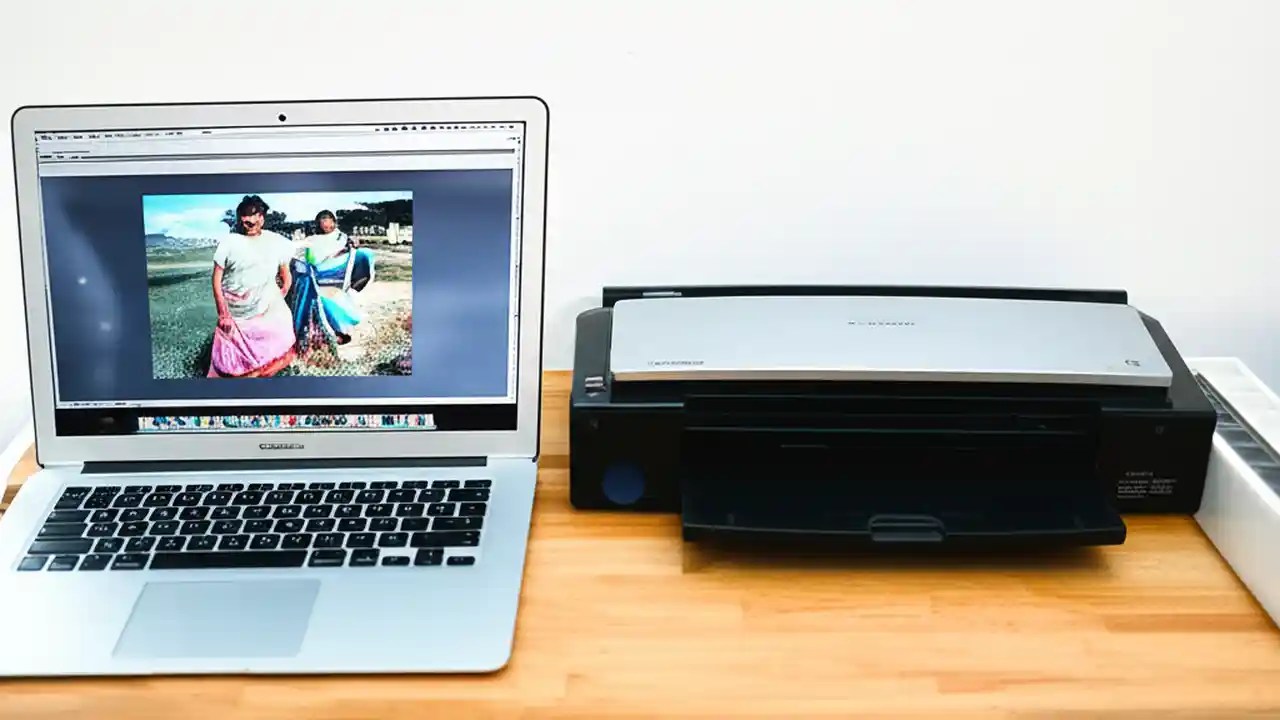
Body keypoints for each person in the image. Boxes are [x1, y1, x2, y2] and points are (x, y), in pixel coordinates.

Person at [207, 195, 297, 378]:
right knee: (228, 366)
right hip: (236, 311)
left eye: (255, 215)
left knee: (282, 341)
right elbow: (216, 280)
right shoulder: (229, 242)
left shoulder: (275, 241)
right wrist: (223, 314)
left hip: (267, 305)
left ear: (262, 218)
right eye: (246, 216)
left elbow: (285, 271)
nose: (250, 221)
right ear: (240, 218)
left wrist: (282, 291)